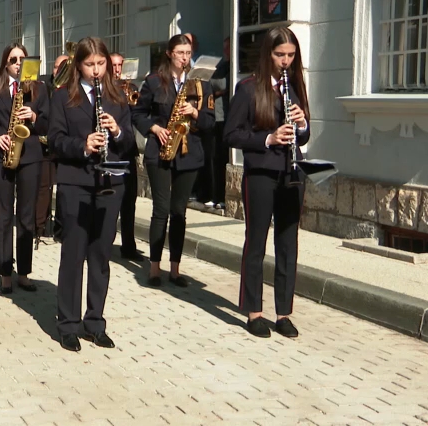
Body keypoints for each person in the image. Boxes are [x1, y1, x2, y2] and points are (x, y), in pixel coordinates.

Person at [49, 37, 134, 352]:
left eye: (101, 64)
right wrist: (82, 145)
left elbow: (129, 145)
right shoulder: (63, 98)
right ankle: (68, 324)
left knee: (100, 255)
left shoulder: (118, 97)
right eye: (90, 65)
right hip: (75, 183)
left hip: (110, 183)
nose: (96, 71)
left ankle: (95, 322)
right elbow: (55, 140)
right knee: (73, 254)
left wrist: (118, 132)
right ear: (78, 66)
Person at [224, 27, 309, 339]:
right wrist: (269, 137)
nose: (285, 61)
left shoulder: (295, 85)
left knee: (288, 244)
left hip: (292, 173)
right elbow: (231, 135)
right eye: (279, 55)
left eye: (290, 55)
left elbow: (305, 135)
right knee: (256, 241)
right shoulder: (248, 89)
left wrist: (302, 125)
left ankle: (283, 313)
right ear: (267, 55)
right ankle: (254, 311)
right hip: (260, 172)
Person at [132, 34, 215, 287]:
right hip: (160, 151)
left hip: (188, 154)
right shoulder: (154, 81)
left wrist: (195, 112)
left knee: (179, 212)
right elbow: (137, 113)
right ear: (169, 53)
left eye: (188, 53)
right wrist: (155, 129)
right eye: (180, 53)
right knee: (161, 210)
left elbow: (211, 122)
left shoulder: (201, 84)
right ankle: (154, 268)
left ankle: (175, 269)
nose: (184, 58)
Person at [0, 43, 50, 294]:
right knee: (3, 217)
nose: (18, 63)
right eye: (13, 59)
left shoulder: (39, 90)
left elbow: (51, 124)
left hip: (31, 157)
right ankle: (5, 272)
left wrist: (35, 118)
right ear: (6, 63)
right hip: (0, 156)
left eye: (22, 59)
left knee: (26, 218)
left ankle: (23, 273)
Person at [110, 52, 143, 261]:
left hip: (128, 150)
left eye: (120, 64)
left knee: (129, 201)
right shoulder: (104, 90)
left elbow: (139, 116)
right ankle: (104, 243)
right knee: (111, 200)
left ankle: (128, 246)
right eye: (113, 65)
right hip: (112, 151)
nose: (117, 69)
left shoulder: (132, 88)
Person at [34, 55, 67, 247]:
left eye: (63, 68)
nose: (59, 71)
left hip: (62, 146)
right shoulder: (45, 86)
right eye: (56, 67)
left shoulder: (72, 88)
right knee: (43, 188)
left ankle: (61, 229)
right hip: (44, 144)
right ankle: (39, 226)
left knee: (63, 189)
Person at [208, 37, 232, 209]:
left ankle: (223, 196)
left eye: (228, 47)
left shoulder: (234, 66)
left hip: (227, 117)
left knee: (224, 157)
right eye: (224, 47)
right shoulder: (221, 67)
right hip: (215, 117)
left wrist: (221, 92)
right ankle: (214, 195)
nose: (226, 50)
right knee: (214, 157)